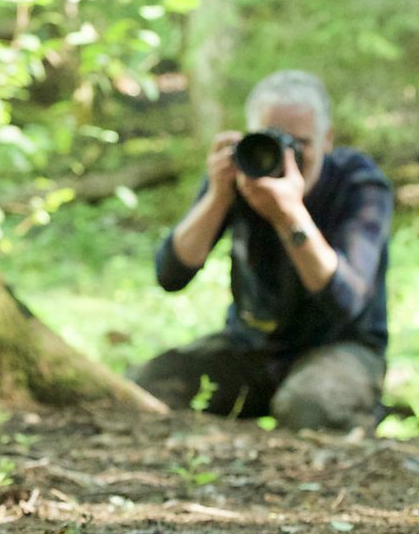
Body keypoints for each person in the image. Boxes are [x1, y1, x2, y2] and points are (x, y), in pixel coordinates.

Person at [131, 70, 393, 431]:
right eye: (274, 140)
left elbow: (346, 302)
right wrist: (218, 195)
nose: (286, 155)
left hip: (340, 346)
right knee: (145, 387)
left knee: (309, 407)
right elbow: (170, 275)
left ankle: (357, 415)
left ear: (327, 140)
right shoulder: (241, 171)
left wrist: (289, 216)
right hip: (252, 346)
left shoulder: (359, 183)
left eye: (300, 143)